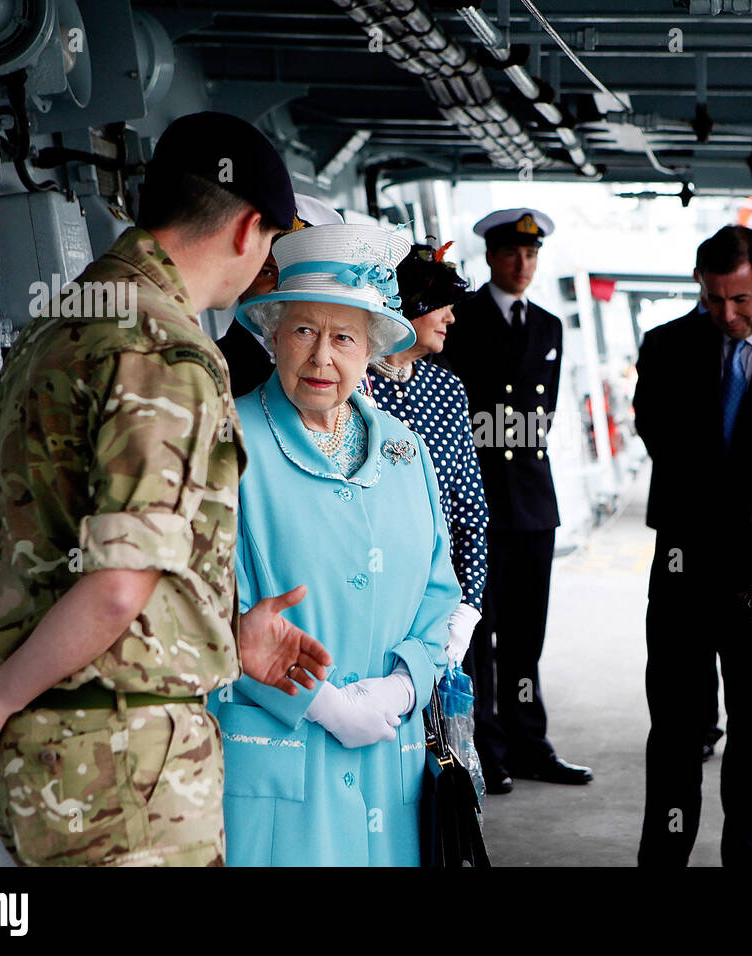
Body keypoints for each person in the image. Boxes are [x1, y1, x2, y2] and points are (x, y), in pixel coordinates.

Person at [0, 111, 332, 867]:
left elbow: (55, 533)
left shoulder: (70, 317)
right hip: (126, 767)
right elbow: (119, 585)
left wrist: (217, 633)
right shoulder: (166, 349)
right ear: (252, 230)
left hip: (68, 753)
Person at [214, 221, 461, 866]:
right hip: (278, 766)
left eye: (345, 337)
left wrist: (404, 688)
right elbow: (195, 607)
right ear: (273, 338)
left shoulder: (408, 452)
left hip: (391, 761)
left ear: (372, 347)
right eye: (304, 331)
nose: (323, 357)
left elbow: (440, 593)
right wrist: (317, 701)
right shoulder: (227, 442)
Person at [634, 225, 752, 866]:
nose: (726, 314)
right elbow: (661, 439)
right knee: (676, 734)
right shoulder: (666, 348)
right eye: (713, 299)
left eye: (740, 299)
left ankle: (751, 861)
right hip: (683, 574)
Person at [441, 208, 592, 792]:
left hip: (532, 500)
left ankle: (531, 742)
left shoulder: (549, 326)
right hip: (479, 498)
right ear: (491, 257)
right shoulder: (465, 319)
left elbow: (543, 413)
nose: (522, 264)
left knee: (527, 634)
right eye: (511, 253)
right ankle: (487, 744)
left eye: (530, 255)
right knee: (481, 633)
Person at [367, 239, 487, 669]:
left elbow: (469, 505)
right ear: (411, 304)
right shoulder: (354, 383)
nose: (451, 318)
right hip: (375, 592)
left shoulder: (449, 388)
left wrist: (468, 605)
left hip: (443, 597)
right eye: (443, 305)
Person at [218, 195, 343, 397]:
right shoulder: (213, 369)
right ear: (242, 275)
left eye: (299, 275)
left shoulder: (345, 363)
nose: (283, 287)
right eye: (267, 271)